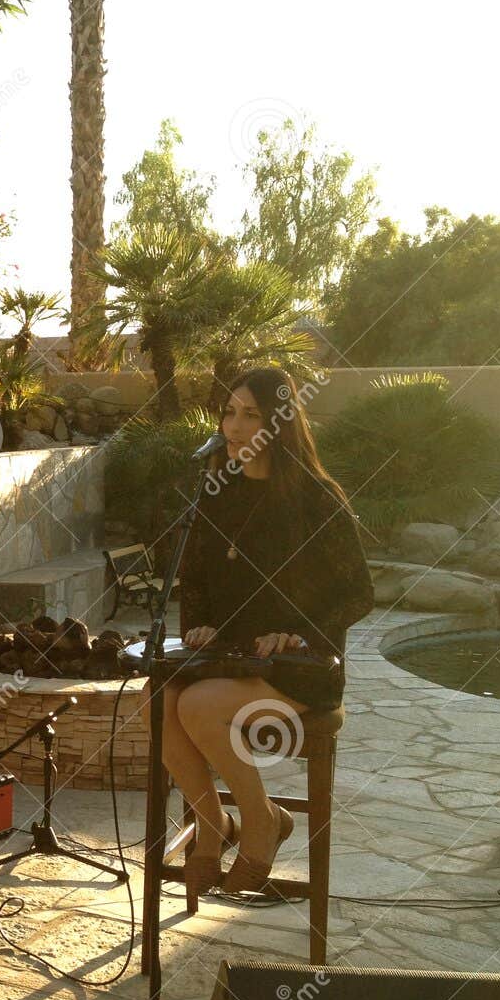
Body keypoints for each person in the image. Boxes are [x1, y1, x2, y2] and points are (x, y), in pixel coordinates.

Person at [167, 367, 374, 895]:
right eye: (229, 412)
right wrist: (201, 626)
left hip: (301, 667)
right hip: (231, 656)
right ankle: (213, 823)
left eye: (251, 415)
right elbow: (194, 581)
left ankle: (260, 822)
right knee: (154, 699)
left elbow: (357, 593)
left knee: (196, 706)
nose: (234, 427)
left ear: (279, 423)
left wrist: (298, 634)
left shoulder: (317, 499)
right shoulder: (216, 492)